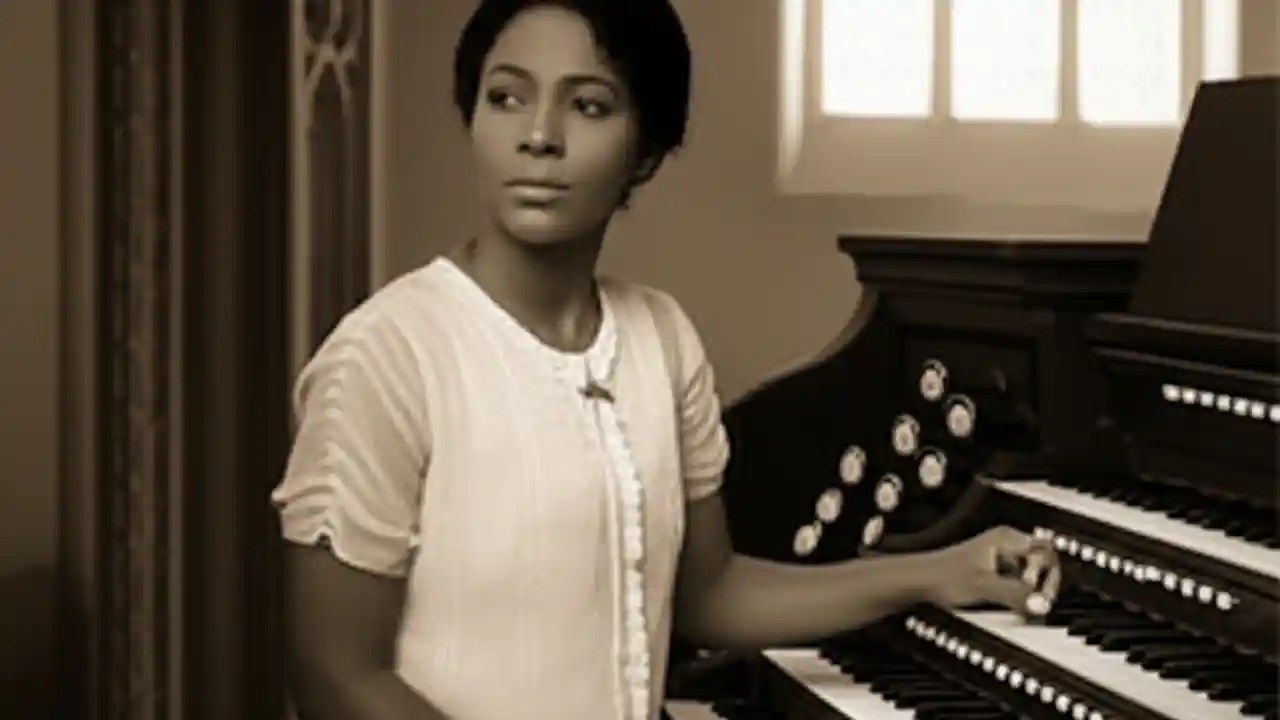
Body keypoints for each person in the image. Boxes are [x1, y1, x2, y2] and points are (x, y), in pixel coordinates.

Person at [270, 1, 1062, 719]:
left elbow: (710, 594)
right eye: (505, 96)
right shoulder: (386, 356)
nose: (537, 135)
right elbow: (339, 679)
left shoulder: (660, 337)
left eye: (587, 105)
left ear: (644, 152)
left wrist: (937, 572)